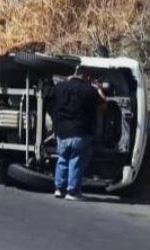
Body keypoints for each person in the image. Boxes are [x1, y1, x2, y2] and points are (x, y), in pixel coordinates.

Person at [49, 66, 105, 201]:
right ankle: (72, 191)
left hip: (61, 131)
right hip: (80, 132)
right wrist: (99, 89)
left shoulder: (59, 87)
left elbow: (49, 101)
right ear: (86, 76)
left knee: (62, 158)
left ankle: (59, 189)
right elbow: (103, 105)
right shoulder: (89, 90)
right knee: (76, 161)